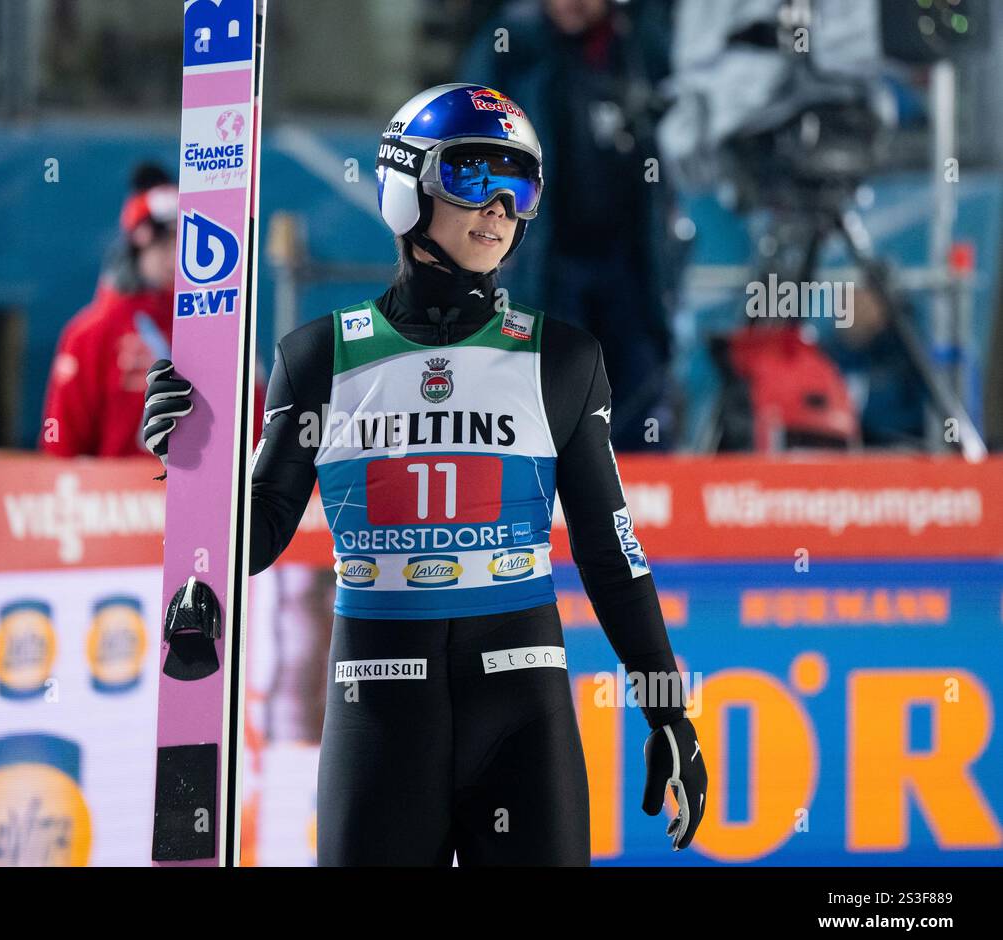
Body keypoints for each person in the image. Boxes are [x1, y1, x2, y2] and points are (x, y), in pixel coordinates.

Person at [143, 84, 706, 865]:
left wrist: (667, 709)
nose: (501, 206)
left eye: (522, 185)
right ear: (407, 185)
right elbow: (258, 533)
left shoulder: (562, 360)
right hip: (376, 709)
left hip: (522, 710)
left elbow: (613, 557)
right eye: (476, 176)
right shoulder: (318, 357)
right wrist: (191, 472)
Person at [461, 0, 679, 450]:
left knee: (637, 402)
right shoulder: (511, 43)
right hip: (546, 263)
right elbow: (465, 144)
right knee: (545, 400)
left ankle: (633, 512)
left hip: (629, 266)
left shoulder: (640, 45)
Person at [39, 163, 263, 458]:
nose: (178, 258)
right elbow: (61, 448)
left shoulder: (222, 328)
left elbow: (256, 429)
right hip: (115, 501)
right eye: (167, 244)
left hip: (201, 498)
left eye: (189, 245)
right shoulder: (91, 333)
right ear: (139, 245)